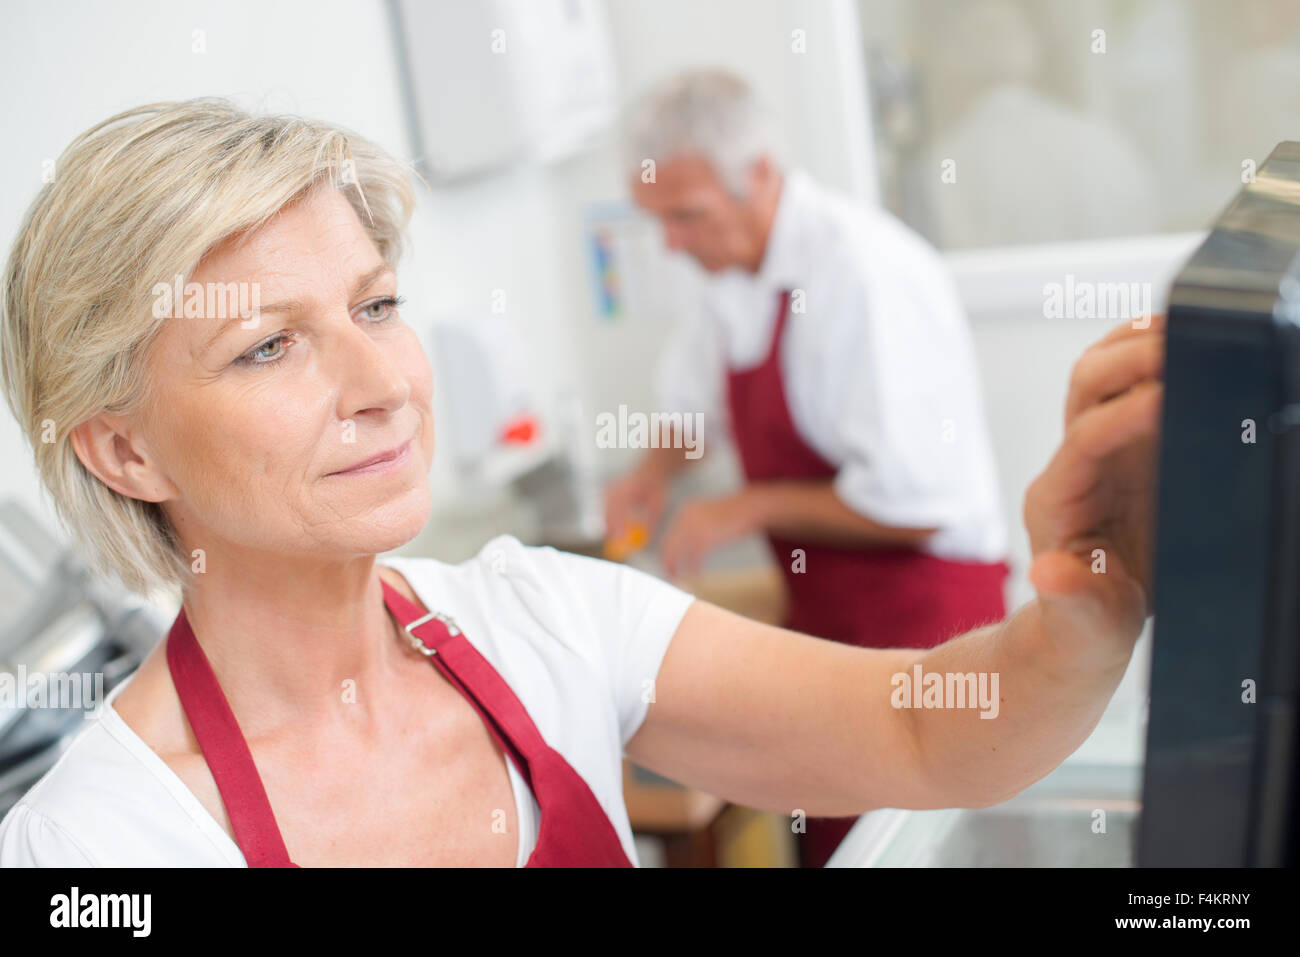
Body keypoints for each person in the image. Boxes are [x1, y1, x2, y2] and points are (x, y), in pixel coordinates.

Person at [0, 97, 1163, 868]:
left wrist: (1096, 589)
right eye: (269, 345)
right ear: (123, 450)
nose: (384, 384)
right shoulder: (97, 849)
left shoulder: (547, 619)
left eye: (377, 307)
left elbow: (927, 735)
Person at [606, 70, 1012, 865]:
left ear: (759, 174)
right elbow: (696, 410)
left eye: (686, 218)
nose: (672, 246)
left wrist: (748, 507)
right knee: (836, 839)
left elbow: (916, 503)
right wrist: (653, 470)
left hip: (927, 624)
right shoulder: (727, 272)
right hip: (831, 625)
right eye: (659, 221)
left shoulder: (863, 274)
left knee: (912, 846)